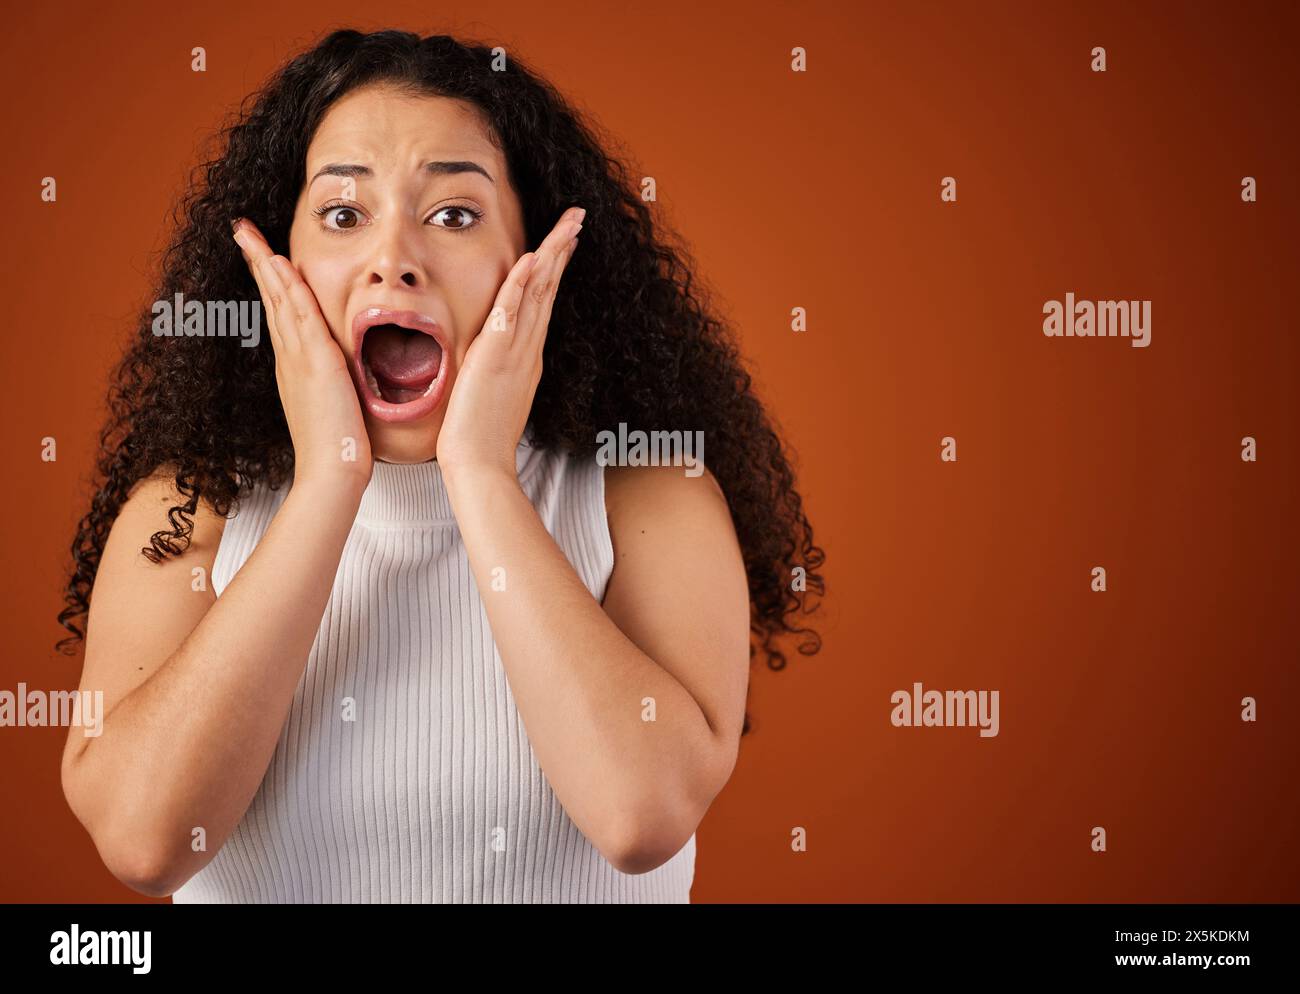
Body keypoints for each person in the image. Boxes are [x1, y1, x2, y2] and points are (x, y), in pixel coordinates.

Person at [57, 28, 825, 903]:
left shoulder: (649, 494)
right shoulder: (190, 509)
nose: (395, 260)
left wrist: (482, 475)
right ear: (281, 261)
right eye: (344, 214)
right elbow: (144, 843)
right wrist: (329, 482)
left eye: (454, 215)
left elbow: (641, 818)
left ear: (531, 261)